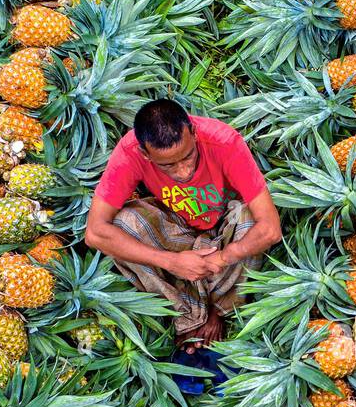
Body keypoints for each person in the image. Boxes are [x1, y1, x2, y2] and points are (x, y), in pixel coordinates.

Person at [84, 98, 282, 351]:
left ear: (194, 133)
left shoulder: (224, 141)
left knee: (250, 220)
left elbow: (270, 228)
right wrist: (171, 262)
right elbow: (95, 233)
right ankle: (188, 315)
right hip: (178, 226)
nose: (183, 171)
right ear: (145, 154)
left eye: (188, 156)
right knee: (123, 225)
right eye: (167, 165)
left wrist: (223, 257)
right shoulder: (130, 152)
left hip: (225, 223)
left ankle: (219, 310)